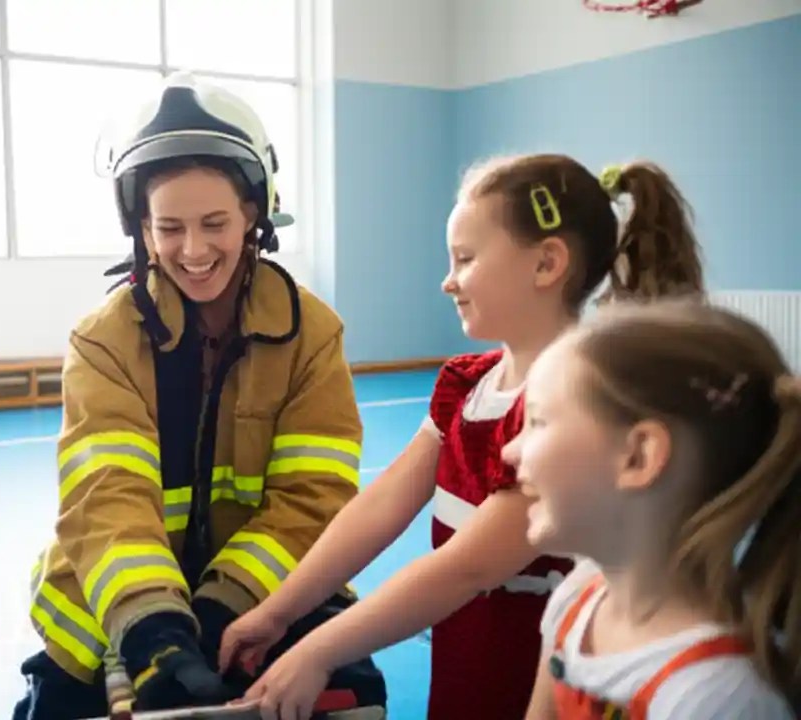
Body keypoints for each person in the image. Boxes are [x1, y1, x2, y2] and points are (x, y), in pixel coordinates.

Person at [222, 156, 707, 720]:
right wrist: (277, 612)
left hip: (537, 683)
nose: (448, 279)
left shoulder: (574, 413)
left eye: (466, 259)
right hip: (464, 662)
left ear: (546, 263)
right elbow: (382, 505)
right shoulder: (467, 384)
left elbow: (466, 567)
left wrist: (319, 650)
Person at [12, 71, 387, 719]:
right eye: (169, 227)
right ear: (141, 226)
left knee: (356, 702)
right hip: (116, 619)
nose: (192, 249)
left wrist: (218, 614)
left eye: (215, 222)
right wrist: (156, 636)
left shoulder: (313, 334)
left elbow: (311, 499)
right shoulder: (102, 341)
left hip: (267, 601)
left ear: (253, 214)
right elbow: (108, 497)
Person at [510, 299, 797, 719]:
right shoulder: (577, 602)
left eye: (536, 422)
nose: (509, 450)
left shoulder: (716, 696)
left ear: (638, 457)